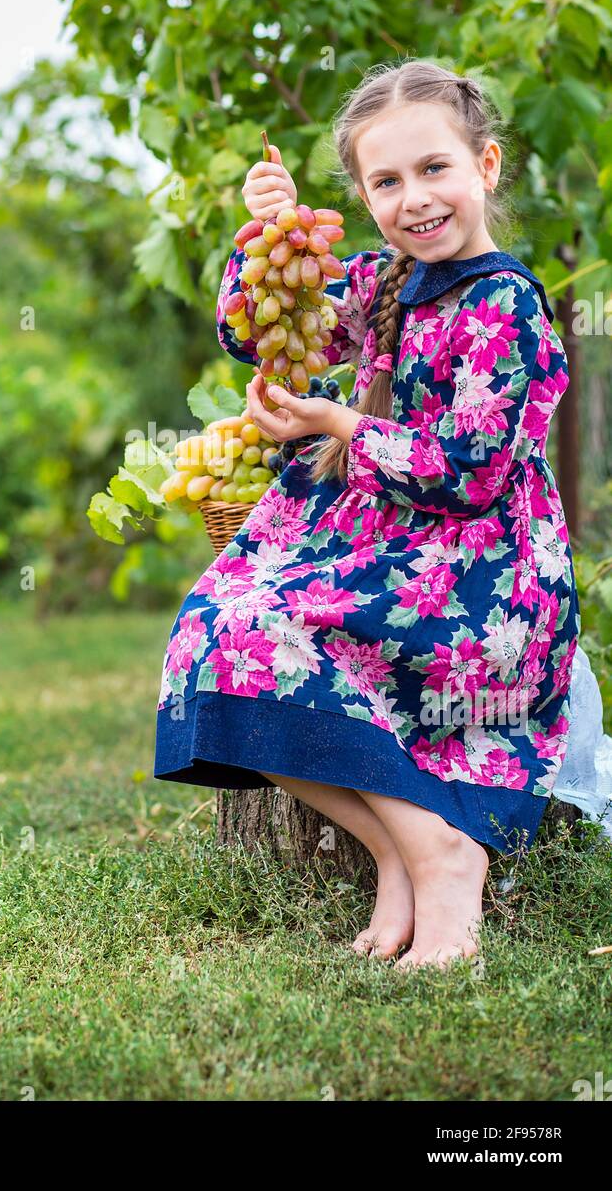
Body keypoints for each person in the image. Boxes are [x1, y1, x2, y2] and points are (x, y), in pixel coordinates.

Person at [153, 59, 580, 970]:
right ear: (362, 193)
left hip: (483, 579)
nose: (415, 200)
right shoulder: (385, 286)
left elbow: (469, 473)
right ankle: (400, 851)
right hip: (395, 552)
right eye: (387, 181)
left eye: (435, 170)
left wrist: (344, 423)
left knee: (275, 628)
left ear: (487, 168)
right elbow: (262, 333)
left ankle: (447, 856)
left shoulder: (504, 304)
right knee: (213, 636)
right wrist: (271, 228)